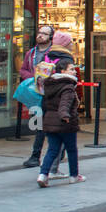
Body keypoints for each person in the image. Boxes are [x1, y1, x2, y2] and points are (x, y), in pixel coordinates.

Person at [36, 57, 85, 187]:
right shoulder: (68, 87)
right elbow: (65, 103)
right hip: (65, 123)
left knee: (52, 150)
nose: (75, 72)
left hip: (50, 121)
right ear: (63, 71)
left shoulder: (50, 85)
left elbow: (47, 104)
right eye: (71, 69)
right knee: (71, 150)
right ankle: (74, 176)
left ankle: (43, 174)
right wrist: (65, 115)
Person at [20, 24, 55, 168]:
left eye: (45, 34)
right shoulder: (31, 53)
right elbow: (23, 70)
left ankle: (57, 150)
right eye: (40, 33)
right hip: (35, 94)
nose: (40, 35)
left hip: (51, 94)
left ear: (50, 37)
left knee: (51, 125)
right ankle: (35, 156)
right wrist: (32, 77)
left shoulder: (54, 53)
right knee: (38, 125)